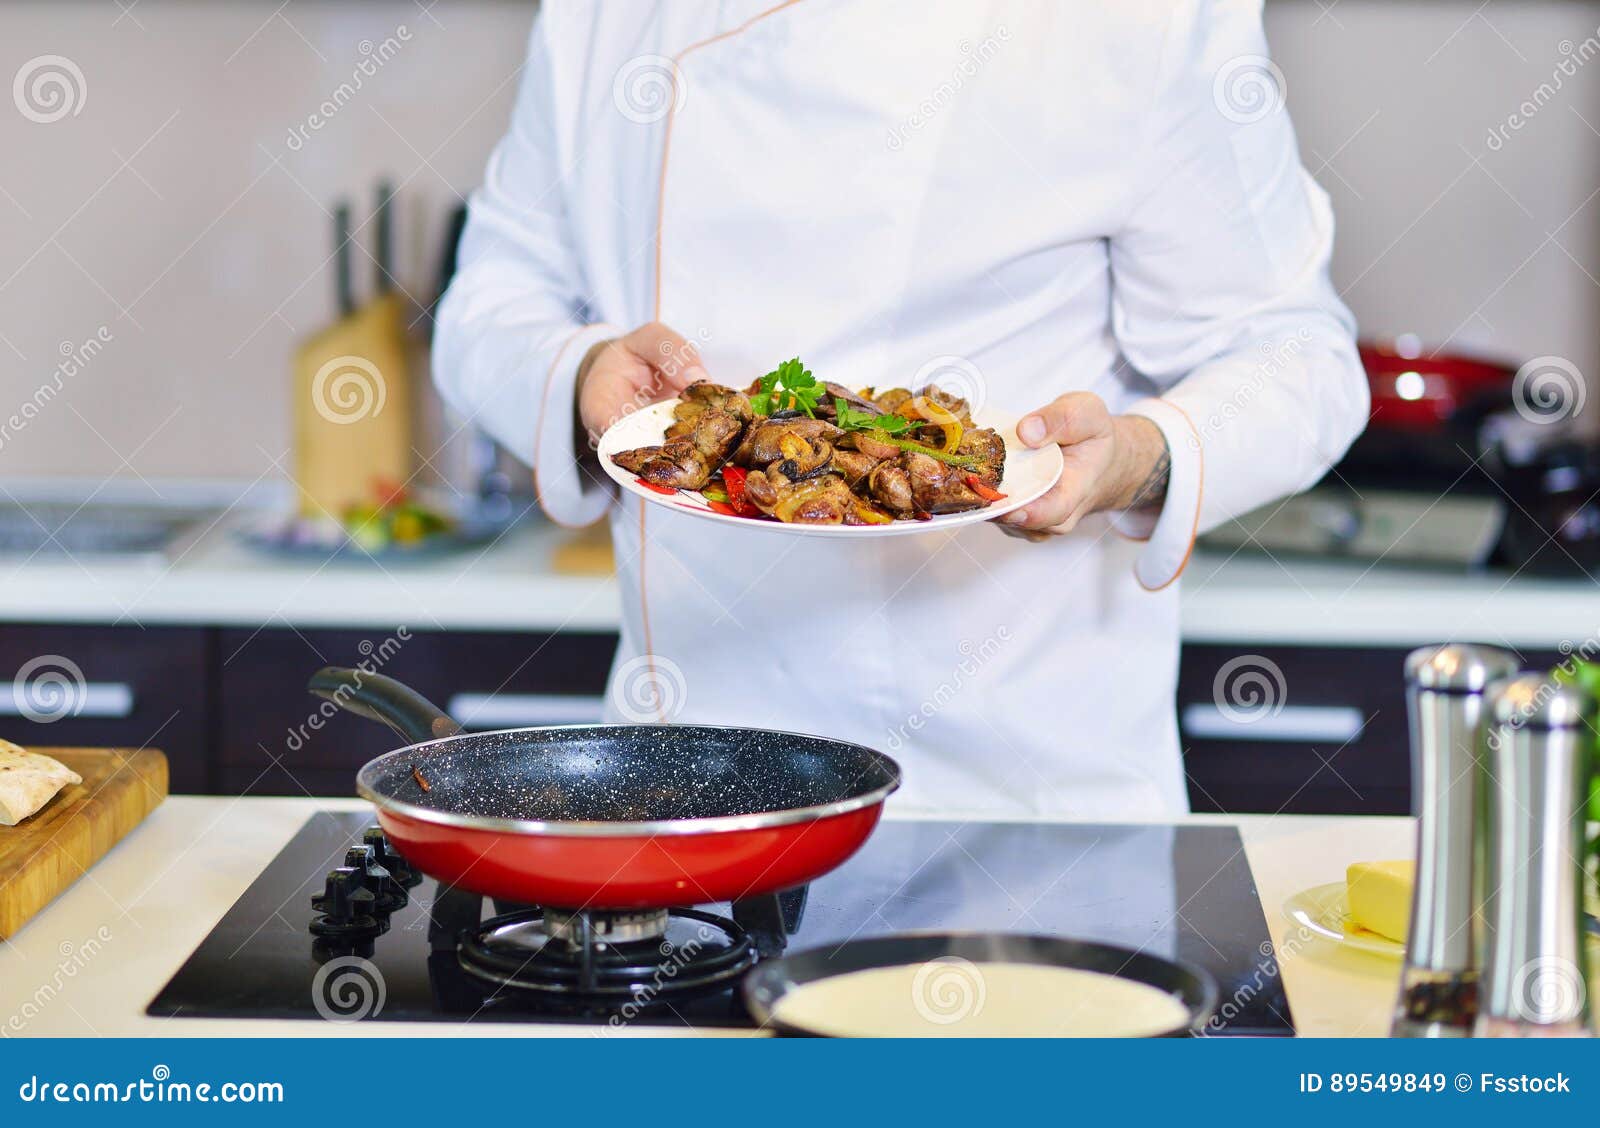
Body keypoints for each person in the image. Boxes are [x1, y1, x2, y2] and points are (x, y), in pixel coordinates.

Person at [433, 1, 1368, 819]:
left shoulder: (1138, 21)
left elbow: (1296, 352)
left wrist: (1142, 454)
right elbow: (491, 299)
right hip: (690, 773)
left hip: (1021, 794)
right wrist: (584, 371)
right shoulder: (605, 17)